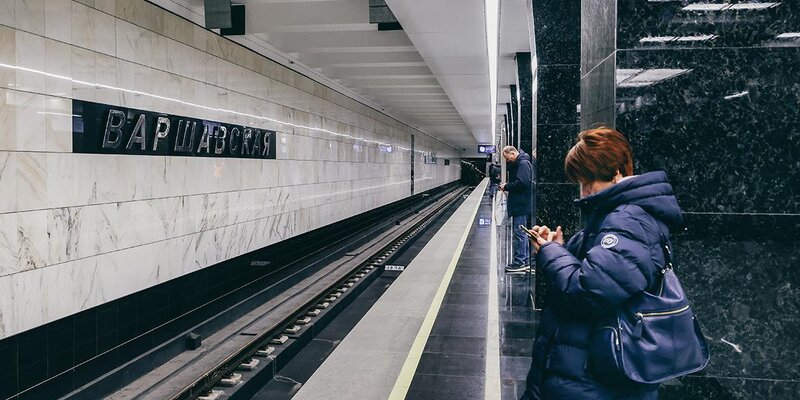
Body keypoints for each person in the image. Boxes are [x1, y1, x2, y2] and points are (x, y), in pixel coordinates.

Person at [521, 127, 683, 399]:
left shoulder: (630, 221)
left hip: (597, 377)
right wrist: (560, 248)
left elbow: (589, 291)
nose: (583, 192)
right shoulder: (621, 216)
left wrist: (550, 253)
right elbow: (604, 272)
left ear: (616, 173)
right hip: (587, 367)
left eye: (588, 182)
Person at [499, 146, 532, 273]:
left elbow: (523, 182)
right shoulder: (521, 163)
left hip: (521, 204)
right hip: (520, 203)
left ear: (513, 153)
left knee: (520, 233)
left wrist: (506, 186)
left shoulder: (523, 164)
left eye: (508, 158)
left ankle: (520, 262)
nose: (508, 161)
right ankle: (525, 260)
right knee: (521, 233)